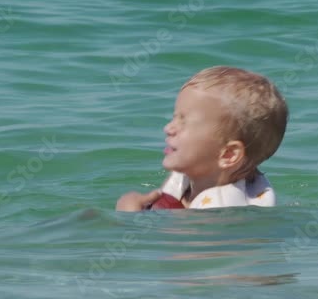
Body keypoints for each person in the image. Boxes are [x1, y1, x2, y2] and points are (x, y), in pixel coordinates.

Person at [116, 66, 288, 211]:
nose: (168, 128)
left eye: (184, 122)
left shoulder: (220, 211)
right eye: (174, 118)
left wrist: (128, 215)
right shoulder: (194, 176)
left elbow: (172, 241)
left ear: (228, 154)